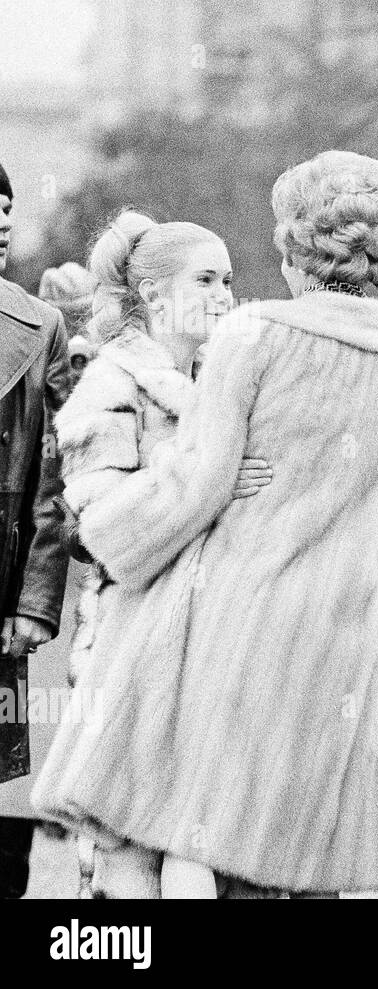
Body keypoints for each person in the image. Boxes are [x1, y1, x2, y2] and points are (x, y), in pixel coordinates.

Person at [33, 150, 378, 897]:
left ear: (294, 245)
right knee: (312, 863)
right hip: (347, 632)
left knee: (216, 857)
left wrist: (119, 534)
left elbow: (194, 485)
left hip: (239, 629)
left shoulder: (255, 336)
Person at [37, 211, 271, 898]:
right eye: (204, 278)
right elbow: (105, 532)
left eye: (229, 278)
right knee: (125, 851)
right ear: (154, 294)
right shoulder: (107, 384)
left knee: (203, 845)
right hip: (127, 647)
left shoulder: (229, 384)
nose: (224, 294)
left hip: (216, 648)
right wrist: (208, 470)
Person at [0, 160, 72, 899]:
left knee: (1, 792)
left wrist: (36, 599)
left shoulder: (38, 325)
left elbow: (56, 480)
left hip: (5, 592)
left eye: (7, 218)